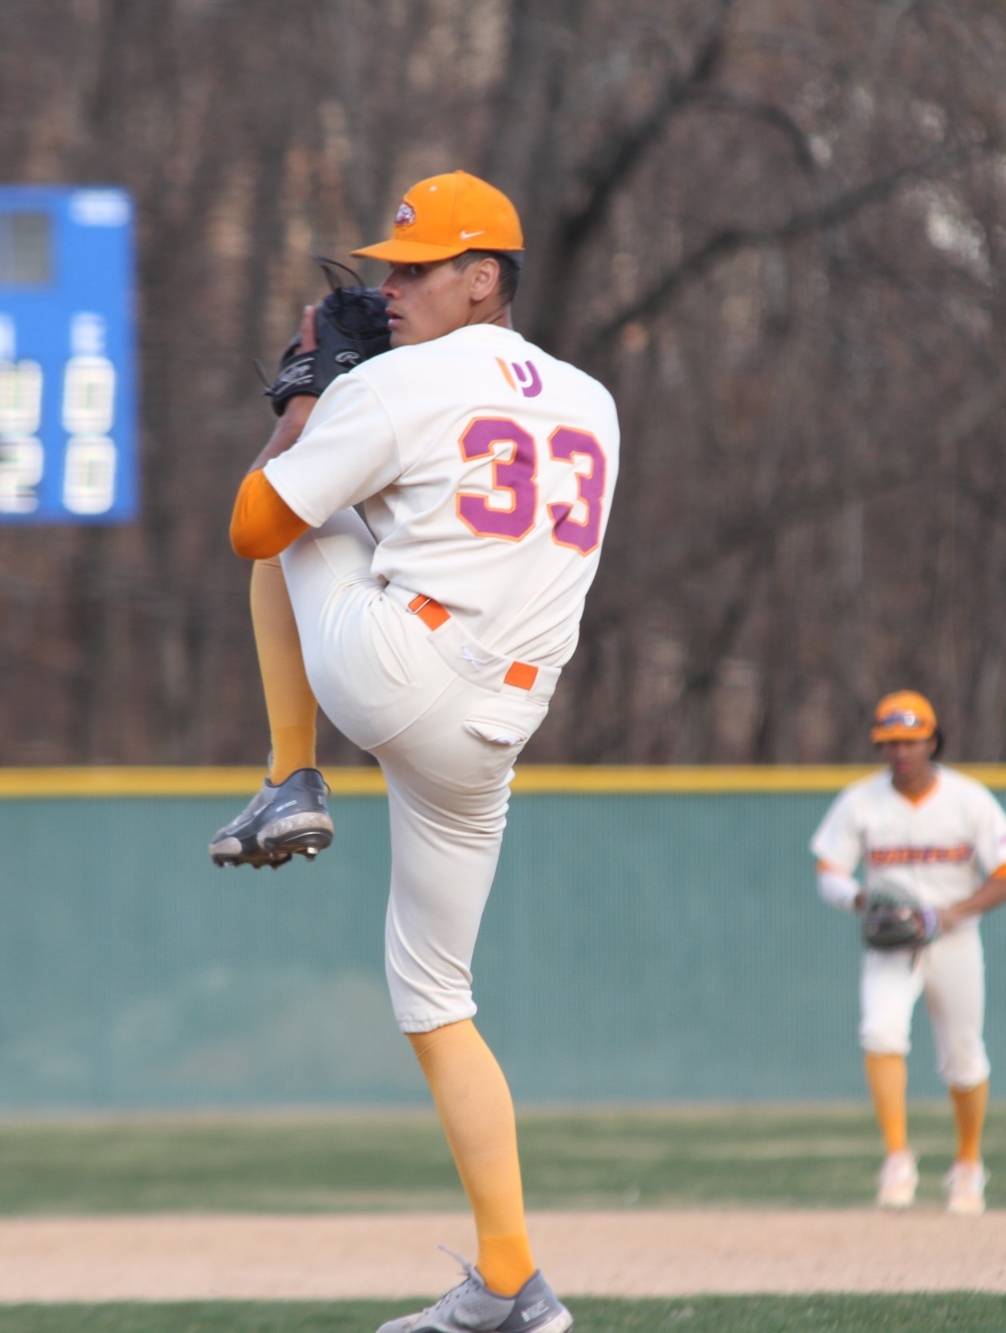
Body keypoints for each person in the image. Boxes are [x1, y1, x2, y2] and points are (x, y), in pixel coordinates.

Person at [217, 170, 618, 1333]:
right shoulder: (592, 400)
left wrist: (301, 400)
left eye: (416, 267)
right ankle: (513, 1285)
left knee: (289, 522)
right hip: (499, 723)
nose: (389, 286)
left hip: (401, 670)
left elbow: (254, 519)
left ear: (482, 276)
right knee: (435, 995)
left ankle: (290, 772)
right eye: (391, 266)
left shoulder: (396, 381)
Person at [809, 690, 1006, 1216]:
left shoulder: (968, 798)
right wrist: (858, 897)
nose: (901, 751)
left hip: (952, 939)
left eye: (910, 740)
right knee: (880, 1030)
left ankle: (969, 1165)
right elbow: (828, 871)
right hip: (892, 943)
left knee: (964, 1056)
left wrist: (950, 914)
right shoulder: (862, 801)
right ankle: (897, 1159)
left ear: (932, 739)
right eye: (890, 742)